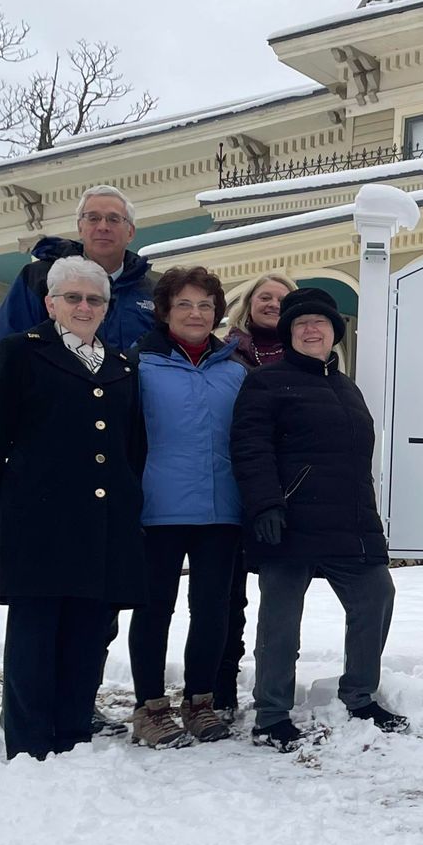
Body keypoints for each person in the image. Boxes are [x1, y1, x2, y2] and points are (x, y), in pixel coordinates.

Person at [0, 257, 146, 760]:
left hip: (103, 524)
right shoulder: (21, 352)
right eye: (73, 297)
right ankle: (28, 744)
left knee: (88, 635)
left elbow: (134, 448)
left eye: (95, 300)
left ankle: (72, 736)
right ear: (50, 303)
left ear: (107, 309)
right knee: (35, 635)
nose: (84, 307)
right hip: (37, 519)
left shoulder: (122, 366)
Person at [230, 287, 404, 750]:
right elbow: (250, 447)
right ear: (289, 333)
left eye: (320, 322)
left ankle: (360, 693)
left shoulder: (348, 389)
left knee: (375, 595)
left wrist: (371, 524)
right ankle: (271, 715)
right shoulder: (266, 381)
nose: (311, 329)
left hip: (348, 523)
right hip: (287, 521)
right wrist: (265, 504)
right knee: (281, 623)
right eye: (301, 322)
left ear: (333, 332)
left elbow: (354, 464)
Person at [125, 266, 248, 749]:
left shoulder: (236, 370)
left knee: (213, 609)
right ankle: (150, 708)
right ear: (164, 311)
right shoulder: (139, 365)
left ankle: (200, 702)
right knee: (155, 610)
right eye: (184, 305)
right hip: (158, 508)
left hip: (222, 509)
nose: (196, 314)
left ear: (217, 312)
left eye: (205, 305)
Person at [215, 273, 295, 717]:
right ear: (248, 305)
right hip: (233, 489)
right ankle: (220, 689)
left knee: (280, 597)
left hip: (286, 491)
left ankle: (272, 690)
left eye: (283, 299)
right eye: (265, 297)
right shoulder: (227, 354)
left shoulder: (305, 358)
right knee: (229, 599)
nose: (273, 304)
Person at [0, 186, 157, 355]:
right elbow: (7, 350)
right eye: (93, 218)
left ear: (131, 232)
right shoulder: (38, 279)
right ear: (80, 227)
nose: (103, 226)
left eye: (114, 219)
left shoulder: (152, 295)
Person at [227, 273, 293, 370]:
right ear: (249, 303)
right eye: (265, 298)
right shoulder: (226, 351)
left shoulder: (308, 351)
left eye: (283, 301)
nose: (274, 304)